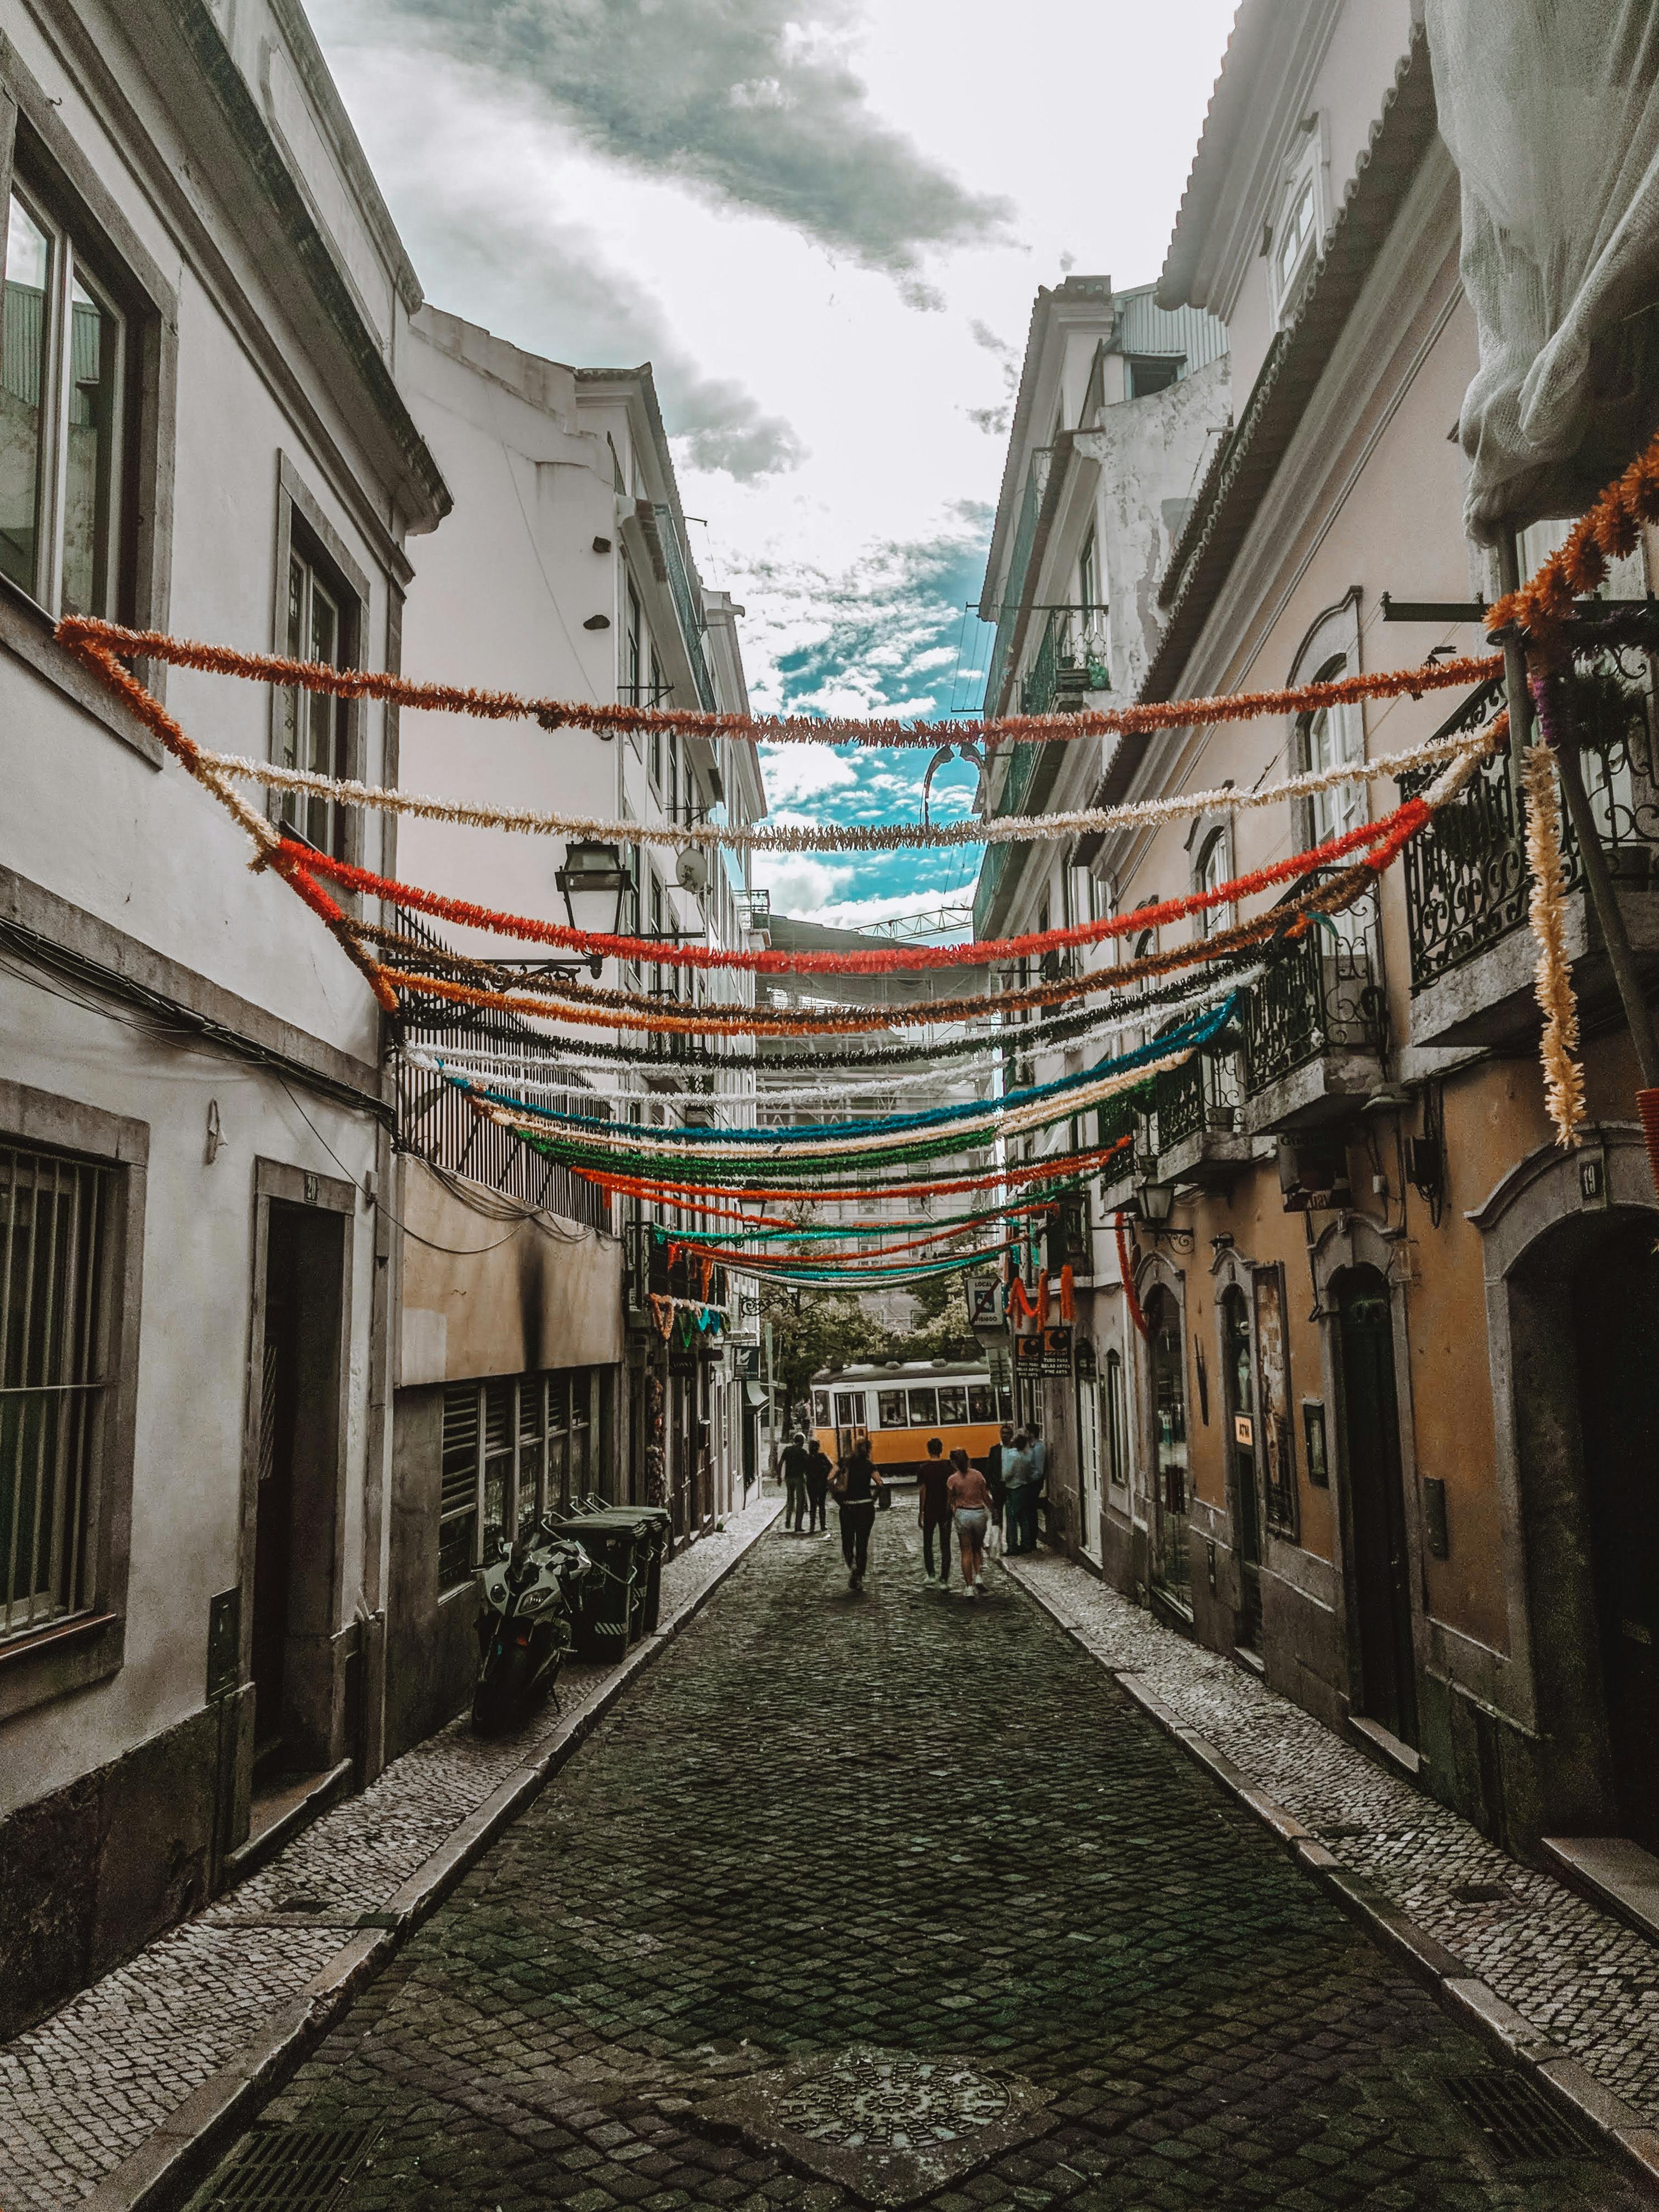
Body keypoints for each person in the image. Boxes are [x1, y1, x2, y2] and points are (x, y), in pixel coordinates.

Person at [830, 1436, 882, 1590]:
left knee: (847, 1541)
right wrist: (873, 1499)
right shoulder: (869, 1465)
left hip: (848, 1507)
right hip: (865, 1507)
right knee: (862, 1543)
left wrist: (836, 1496)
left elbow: (830, 1478)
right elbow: (880, 1483)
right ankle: (859, 1576)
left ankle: (853, 1567)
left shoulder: (844, 1462)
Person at [947, 1447, 992, 1598]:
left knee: (965, 1551)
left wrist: (950, 1515)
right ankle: (979, 1575)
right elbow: (985, 1496)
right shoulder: (978, 1476)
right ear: (968, 1460)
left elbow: (950, 1501)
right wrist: (995, 1511)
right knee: (977, 1548)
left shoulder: (953, 1480)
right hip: (979, 1514)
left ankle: (969, 1587)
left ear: (954, 1463)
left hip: (963, 1515)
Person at [917, 1436, 952, 1589]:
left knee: (928, 1543)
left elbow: (923, 1491)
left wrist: (921, 1512)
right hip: (945, 1509)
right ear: (941, 1449)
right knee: (945, 1545)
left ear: (929, 1450)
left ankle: (931, 1574)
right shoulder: (948, 1467)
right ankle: (944, 1579)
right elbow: (951, 1490)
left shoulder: (923, 1468)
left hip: (930, 1508)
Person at [1002, 1430, 1035, 1554]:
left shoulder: (1012, 1455)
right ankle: (1026, 1544)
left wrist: (1004, 1478)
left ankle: (1013, 1546)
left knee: (1011, 1519)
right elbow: (1029, 1474)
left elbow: (1007, 1474)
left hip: (1013, 1488)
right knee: (1024, 1518)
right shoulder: (1026, 1456)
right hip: (1024, 1488)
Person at [982, 1424, 1012, 1559]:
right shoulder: (994, 1450)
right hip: (998, 1487)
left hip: (1011, 1486)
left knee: (1011, 1516)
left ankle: (1009, 1543)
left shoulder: (1014, 1449)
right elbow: (989, 1469)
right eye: (1003, 1433)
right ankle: (995, 1544)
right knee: (997, 1514)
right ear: (1000, 1434)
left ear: (1011, 1435)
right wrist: (991, 1485)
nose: (1005, 1435)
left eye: (1008, 1433)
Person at [781, 1431, 811, 1533]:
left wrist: (778, 1477)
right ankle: (798, 1526)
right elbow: (808, 1467)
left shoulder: (787, 1450)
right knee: (800, 1502)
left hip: (788, 1478)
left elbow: (781, 1463)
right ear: (802, 1442)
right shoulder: (803, 1452)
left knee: (790, 1500)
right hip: (799, 1478)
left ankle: (788, 1521)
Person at [804, 1435, 832, 1535]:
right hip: (822, 1483)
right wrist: (825, 1476)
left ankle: (812, 1527)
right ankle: (823, 1525)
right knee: (822, 1505)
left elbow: (804, 1470)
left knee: (813, 1505)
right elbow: (831, 1466)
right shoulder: (822, 1456)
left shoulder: (807, 1458)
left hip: (811, 1483)